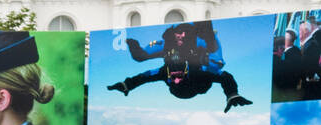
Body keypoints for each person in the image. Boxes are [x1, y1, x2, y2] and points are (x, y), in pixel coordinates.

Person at [107, 20, 251, 112]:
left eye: (185, 33)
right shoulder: (167, 65)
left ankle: (206, 40)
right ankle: (205, 40)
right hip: (190, 81)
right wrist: (133, 46)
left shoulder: (193, 67)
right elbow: (144, 74)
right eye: (178, 33)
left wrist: (232, 93)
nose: (181, 36)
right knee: (201, 66)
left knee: (206, 66)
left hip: (197, 82)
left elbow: (222, 73)